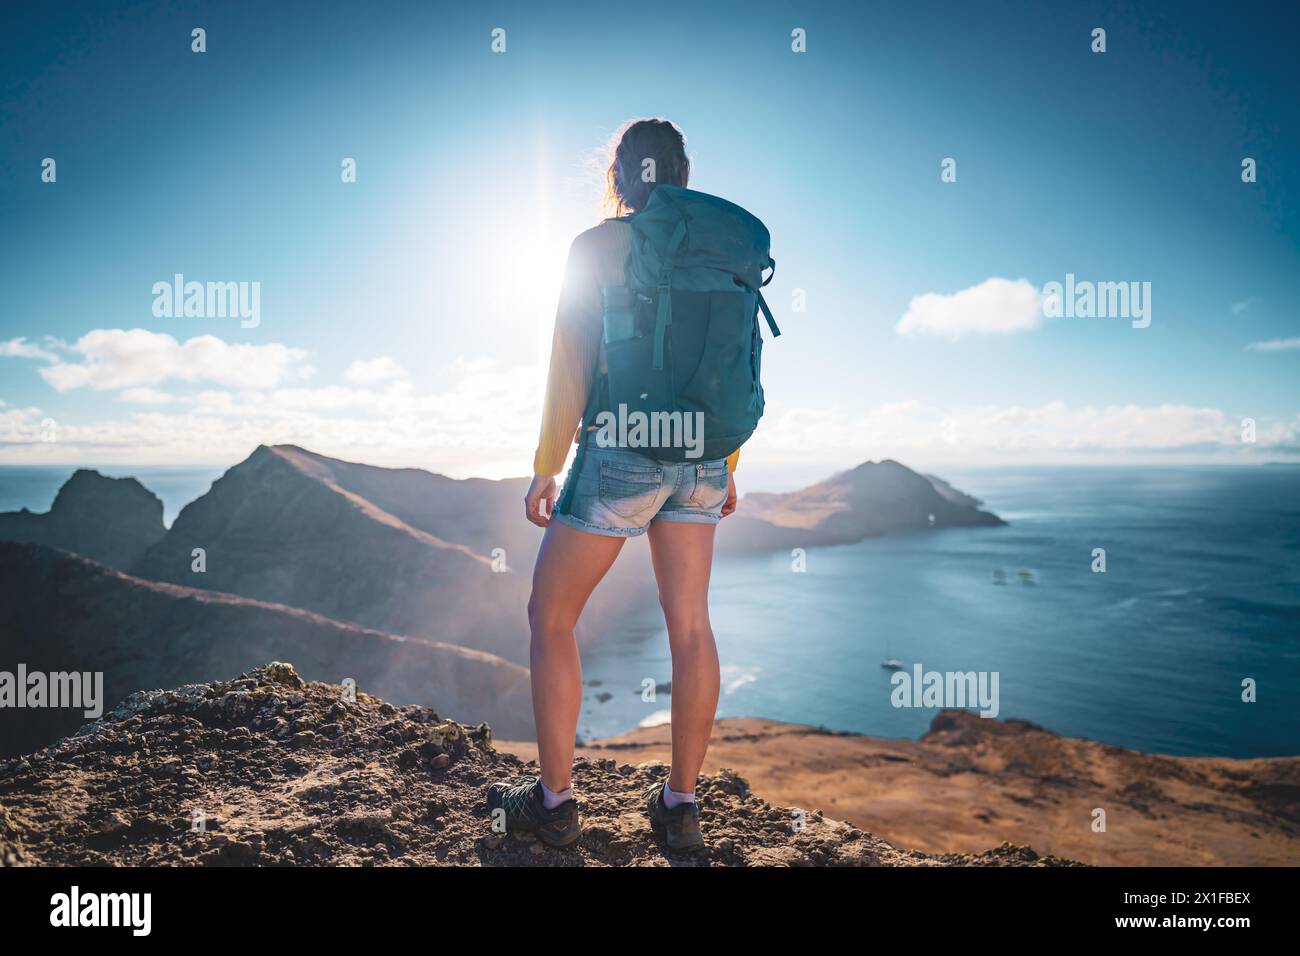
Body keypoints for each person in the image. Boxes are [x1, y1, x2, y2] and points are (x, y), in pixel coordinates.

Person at [486, 118, 742, 851]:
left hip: (623, 448)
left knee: (551, 613)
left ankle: (556, 802)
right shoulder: (720, 252)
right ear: (685, 173)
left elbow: (571, 362)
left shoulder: (595, 247)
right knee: (690, 625)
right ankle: (681, 807)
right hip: (700, 454)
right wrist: (726, 464)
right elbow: (731, 368)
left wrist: (546, 461)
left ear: (623, 175)